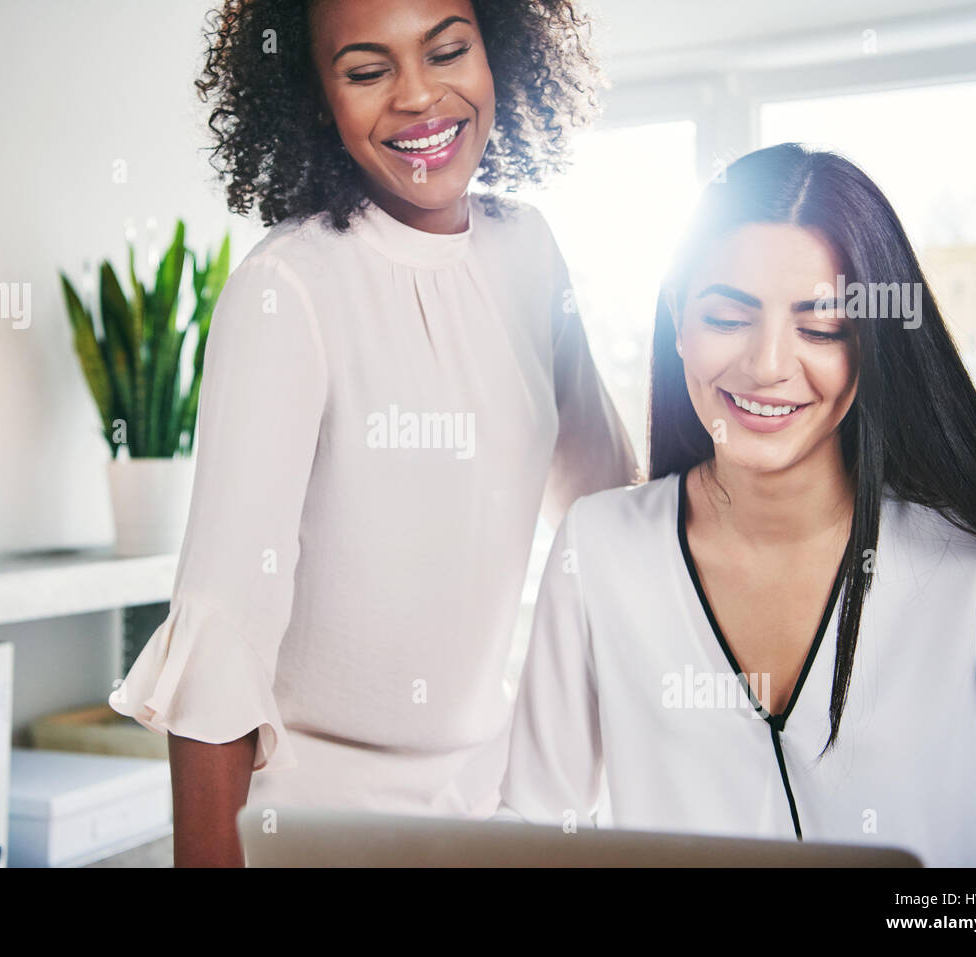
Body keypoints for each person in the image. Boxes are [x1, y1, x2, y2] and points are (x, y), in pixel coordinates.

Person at [109, 0, 637, 866]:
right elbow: (220, 636)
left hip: (494, 814)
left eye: (448, 51)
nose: (419, 96)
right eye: (366, 70)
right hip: (318, 831)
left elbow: (615, 506)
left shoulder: (531, 253)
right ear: (316, 96)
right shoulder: (289, 289)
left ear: (496, 51)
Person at [495, 143, 976, 866]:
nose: (767, 365)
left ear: (873, 343)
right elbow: (528, 830)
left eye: (821, 327)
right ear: (680, 323)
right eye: (727, 318)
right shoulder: (600, 547)